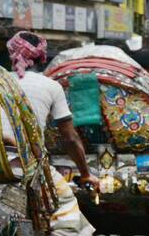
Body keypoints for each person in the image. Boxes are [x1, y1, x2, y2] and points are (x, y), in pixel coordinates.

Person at [6, 32, 98, 189]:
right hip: (29, 166)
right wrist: (85, 174)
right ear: (42, 56)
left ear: (12, 54)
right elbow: (70, 138)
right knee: (68, 207)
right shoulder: (51, 86)